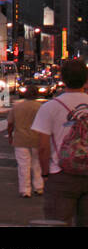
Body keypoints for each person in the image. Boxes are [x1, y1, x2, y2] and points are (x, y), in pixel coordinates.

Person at [34, 57, 88, 226]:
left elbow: (43, 147)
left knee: (57, 222)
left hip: (61, 174)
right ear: (86, 80)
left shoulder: (50, 107)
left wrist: (44, 174)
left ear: (62, 79)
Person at [7, 82, 45, 197]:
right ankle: (39, 187)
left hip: (20, 139)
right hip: (36, 139)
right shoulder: (40, 107)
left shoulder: (17, 106)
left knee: (23, 165)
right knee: (37, 164)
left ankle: (25, 190)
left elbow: (10, 124)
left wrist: (10, 136)